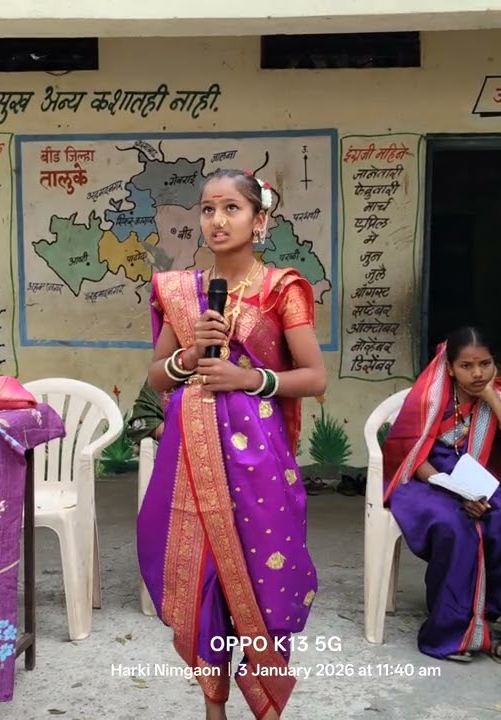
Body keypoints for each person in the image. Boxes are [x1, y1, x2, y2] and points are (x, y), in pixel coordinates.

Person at [137, 168, 327, 720]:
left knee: (266, 580)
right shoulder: (181, 290)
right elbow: (157, 378)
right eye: (207, 210)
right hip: (190, 459)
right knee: (203, 581)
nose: (217, 221)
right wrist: (190, 357)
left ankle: (267, 707)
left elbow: (314, 378)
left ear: (259, 219)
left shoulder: (281, 289)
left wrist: (251, 380)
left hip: (259, 464)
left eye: (231, 209)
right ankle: (212, 706)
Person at [381, 326, 501, 665]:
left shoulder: (497, 393)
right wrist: (453, 489)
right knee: (456, 525)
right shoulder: (429, 396)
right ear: (449, 367)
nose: (478, 373)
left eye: (485, 364)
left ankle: (484, 619)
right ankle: (449, 631)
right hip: (428, 484)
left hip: (481, 482)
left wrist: (490, 398)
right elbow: (411, 456)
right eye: (467, 366)